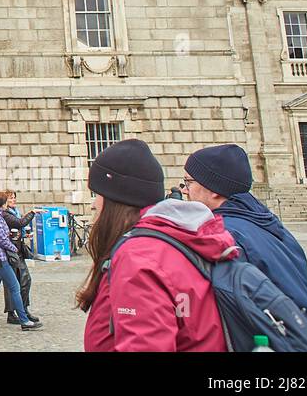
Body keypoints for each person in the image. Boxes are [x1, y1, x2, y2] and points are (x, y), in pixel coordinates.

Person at [78, 138, 235, 352]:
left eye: (97, 194)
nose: (93, 203)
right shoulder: (169, 242)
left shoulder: (138, 258)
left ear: (113, 199)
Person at [184, 143, 307, 336]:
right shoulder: (269, 224)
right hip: (304, 333)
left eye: (189, 182)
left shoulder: (227, 237)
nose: (184, 190)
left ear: (213, 188)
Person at [0, 191, 42, 330]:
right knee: (15, 287)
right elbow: (2, 240)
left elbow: (2, 234)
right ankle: (24, 320)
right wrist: (13, 248)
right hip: (1, 258)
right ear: (2, 204)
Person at [0, 191, 38, 325]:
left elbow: (19, 226)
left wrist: (25, 235)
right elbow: (20, 223)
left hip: (17, 250)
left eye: (15, 198)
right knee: (16, 282)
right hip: (11, 252)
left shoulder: (14, 212)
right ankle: (16, 313)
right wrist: (32, 212)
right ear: (5, 200)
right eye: (11, 198)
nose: (14, 200)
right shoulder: (5, 214)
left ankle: (22, 310)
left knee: (23, 281)